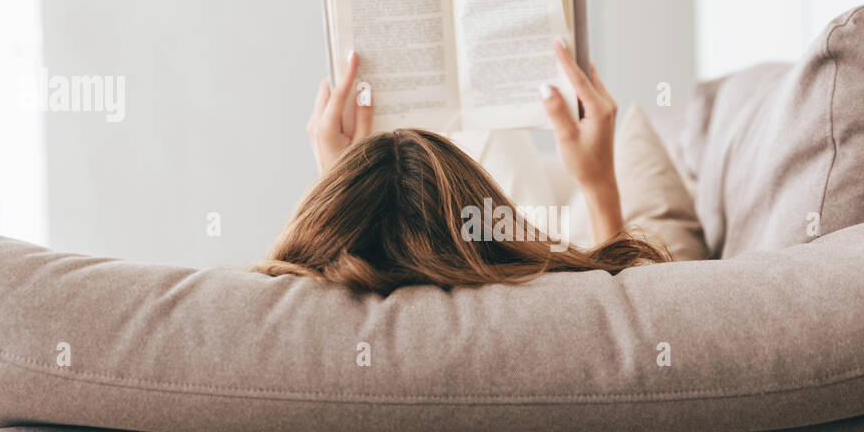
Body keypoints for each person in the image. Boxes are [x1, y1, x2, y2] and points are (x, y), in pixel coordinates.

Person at [253, 40, 667, 293]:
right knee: (491, 135)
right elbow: (627, 303)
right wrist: (599, 185)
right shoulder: (551, 300)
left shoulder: (283, 314)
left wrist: (345, 187)